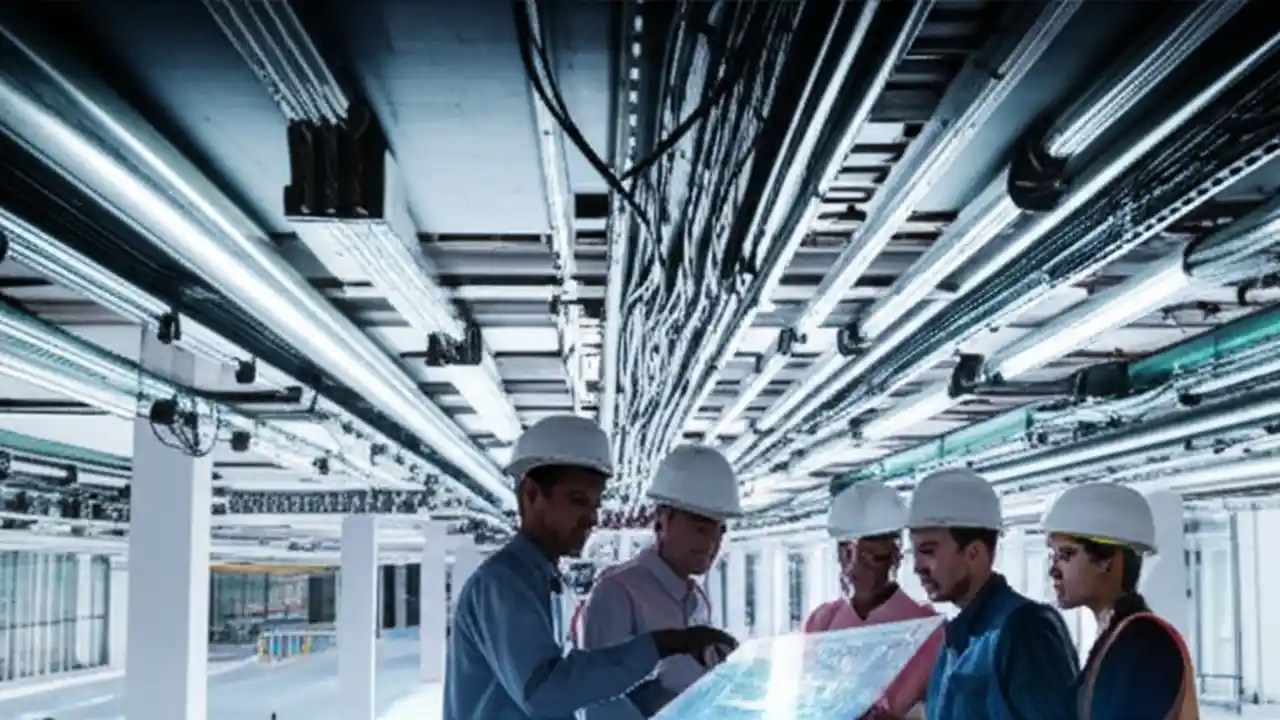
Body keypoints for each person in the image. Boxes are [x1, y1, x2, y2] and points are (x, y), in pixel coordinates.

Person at [442, 416, 738, 720]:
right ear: (531, 495)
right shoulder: (504, 583)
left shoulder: (546, 583)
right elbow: (544, 693)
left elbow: (579, 690)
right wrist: (664, 644)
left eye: (595, 505)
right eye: (577, 501)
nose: (592, 519)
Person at [580, 444, 742, 719]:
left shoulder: (697, 600)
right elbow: (603, 701)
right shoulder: (618, 592)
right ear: (662, 520)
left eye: (720, 531)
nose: (712, 543)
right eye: (700, 528)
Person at [906, 468, 1078, 720]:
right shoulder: (957, 640)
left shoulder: (1025, 630)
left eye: (928, 551)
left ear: (974, 553)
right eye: (915, 553)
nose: (917, 567)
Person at [1040, 483, 1198, 720]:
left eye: (1066, 555)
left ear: (1107, 561)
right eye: (1053, 556)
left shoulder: (1143, 643)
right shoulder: (1119, 636)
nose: (1053, 570)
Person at [804, 480, 943, 720]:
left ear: (895, 556)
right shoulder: (821, 623)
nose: (853, 567)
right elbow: (807, 698)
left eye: (871, 556)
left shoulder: (929, 632)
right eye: (846, 553)